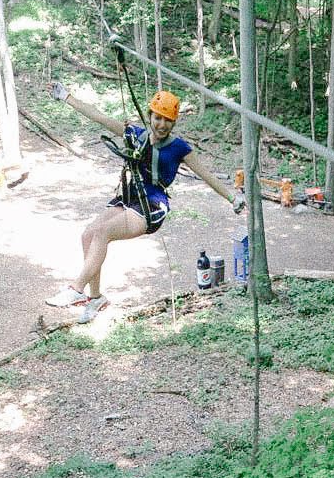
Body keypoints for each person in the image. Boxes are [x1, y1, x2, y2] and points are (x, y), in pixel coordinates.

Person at [43, 81, 245, 322]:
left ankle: (75, 289)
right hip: (129, 197)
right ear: (150, 116)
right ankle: (95, 298)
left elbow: (206, 174)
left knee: (103, 232)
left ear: (174, 122)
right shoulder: (135, 135)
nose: (161, 124)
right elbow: (99, 117)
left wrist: (233, 197)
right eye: (157, 118)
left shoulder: (180, 148)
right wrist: (67, 97)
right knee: (88, 234)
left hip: (152, 205)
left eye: (167, 120)